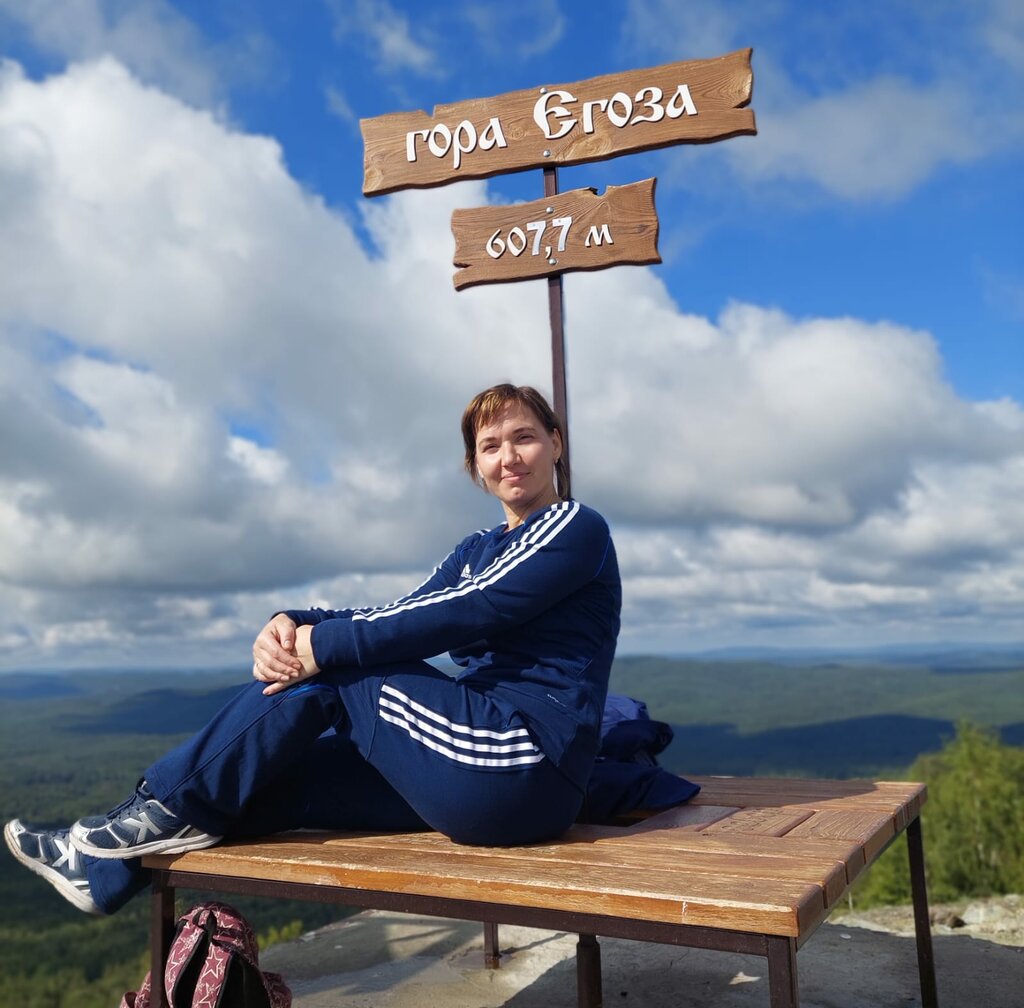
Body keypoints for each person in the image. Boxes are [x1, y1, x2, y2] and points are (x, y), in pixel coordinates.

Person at [5, 383, 622, 916]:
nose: (509, 457)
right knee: (272, 774)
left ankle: (124, 827)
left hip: (521, 763)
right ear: (474, 466)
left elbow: (464, 612)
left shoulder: (574, 527)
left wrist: (319, 648)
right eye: (491, 447)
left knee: (329, 680)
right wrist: (294, 619)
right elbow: (399, 613)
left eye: (524, 437)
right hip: (469, 762)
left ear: (556, 444)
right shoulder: (475, 548)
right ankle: (106, 863)